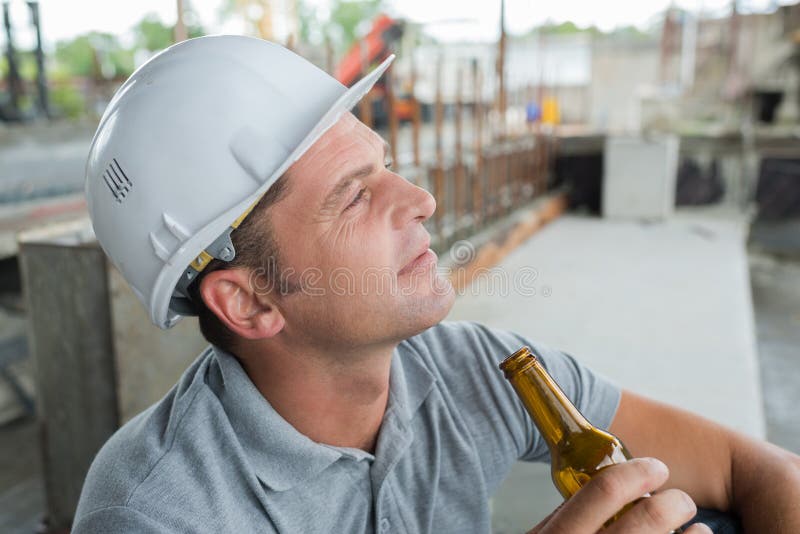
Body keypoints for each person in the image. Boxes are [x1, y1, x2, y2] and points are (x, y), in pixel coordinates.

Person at [73, 36, 799, 533]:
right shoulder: (156, 510)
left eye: (382, 165)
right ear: (249, 300)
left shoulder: (480, 373)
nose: (419, 199)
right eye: (354, 195)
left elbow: (754, 469)